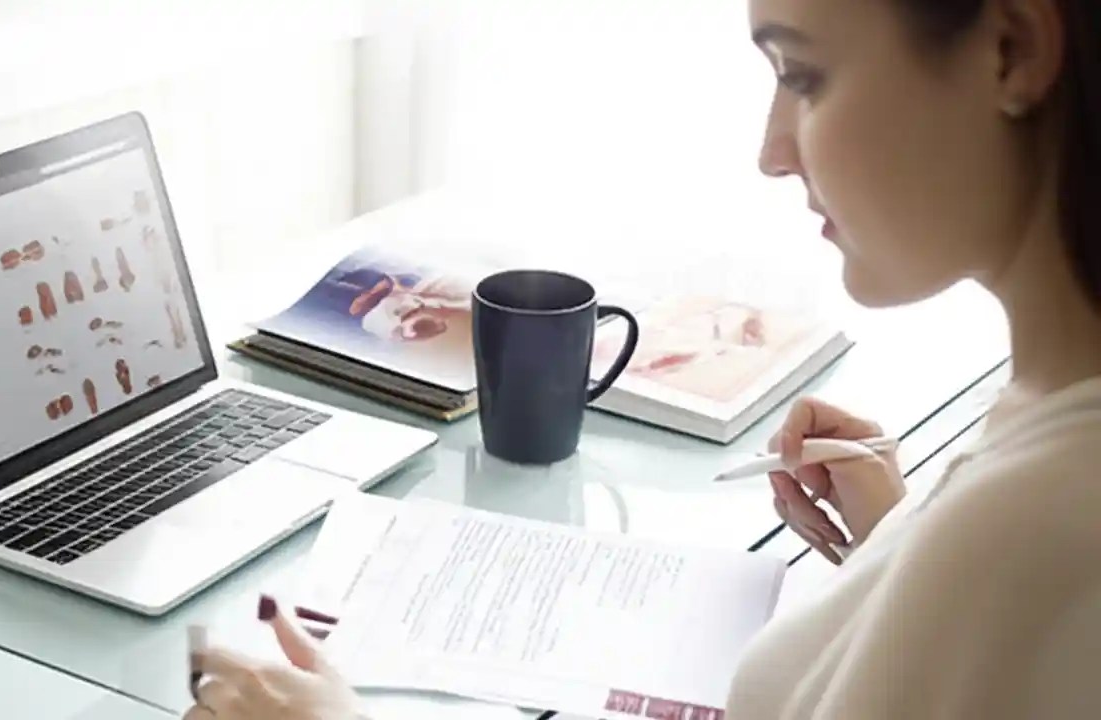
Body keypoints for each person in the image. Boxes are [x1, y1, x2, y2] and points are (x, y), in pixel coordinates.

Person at [182, 0, 1101, 717]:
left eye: (805, 75)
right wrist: (901, 548)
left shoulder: (1038, 533)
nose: (772, 151)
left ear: (1009, 52)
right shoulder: (1040, 436)